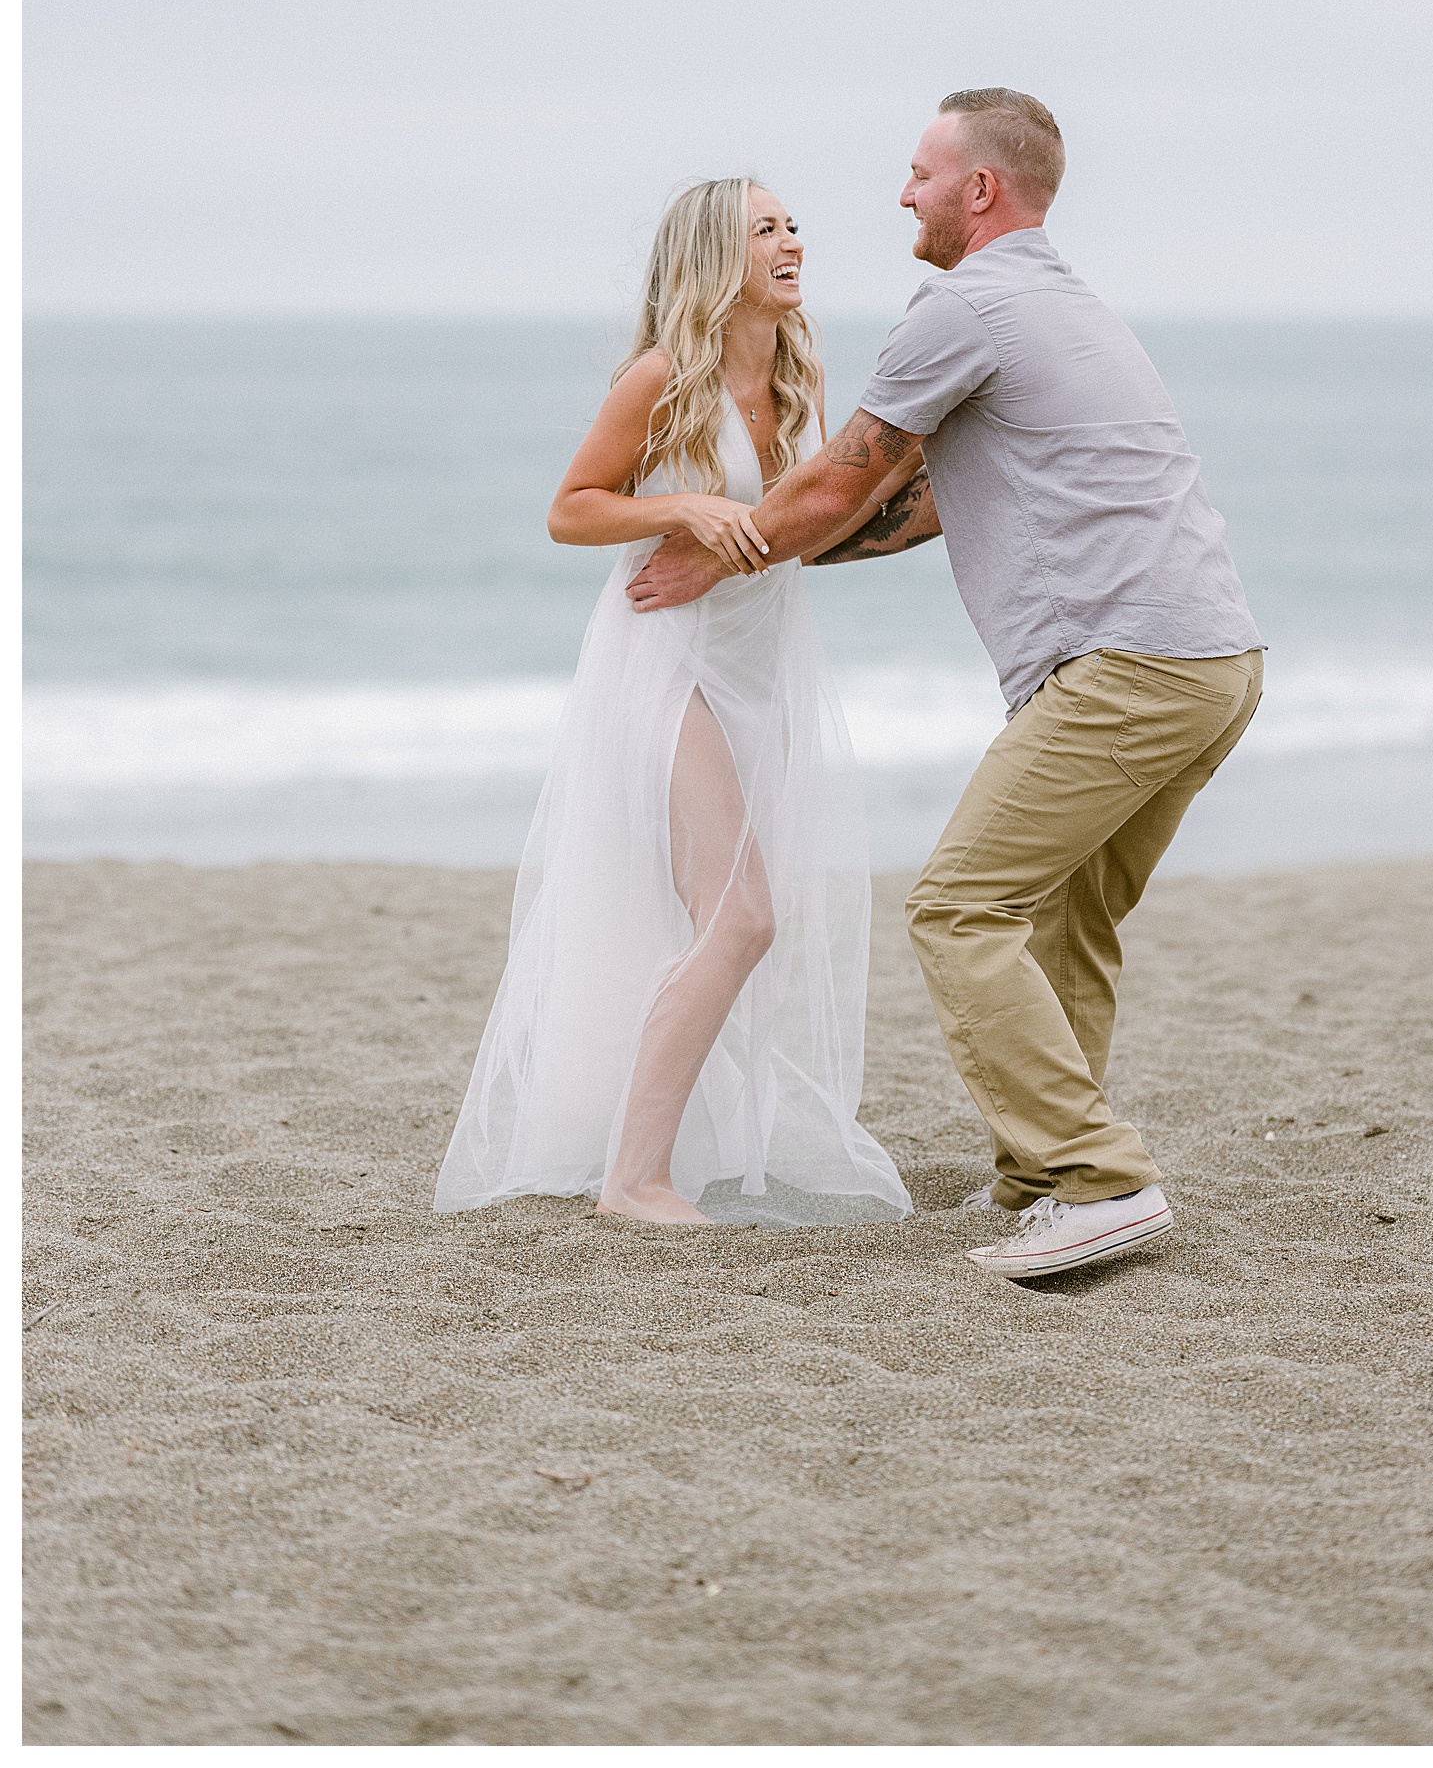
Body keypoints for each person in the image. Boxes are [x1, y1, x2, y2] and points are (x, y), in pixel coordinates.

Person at [626, 89, 1263, 1279]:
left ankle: (1101, 1179)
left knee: (957, 908)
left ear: (980, 191)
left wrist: (711, 553)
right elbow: (909, 509)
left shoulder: (961, 308)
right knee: (1068, 918)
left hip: (1123, 668)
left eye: (919, 173)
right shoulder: (1060, 301)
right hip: (1214, 661)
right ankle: (1042, 1175)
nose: (900, 194)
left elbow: (828, 492)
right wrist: (780, 545)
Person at [434, 177, 911, 1228]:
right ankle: (633, 1180)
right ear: (715, 258)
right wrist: (686, 504)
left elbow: (808, 528)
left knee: (711, 922)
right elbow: (569, 511)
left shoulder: (799, 374)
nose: (793, 241)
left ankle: (652, 1149)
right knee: (742, 920)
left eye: (794, 226)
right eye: (766, 230)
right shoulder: (660, 377)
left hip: (762, 664)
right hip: (669, 664)